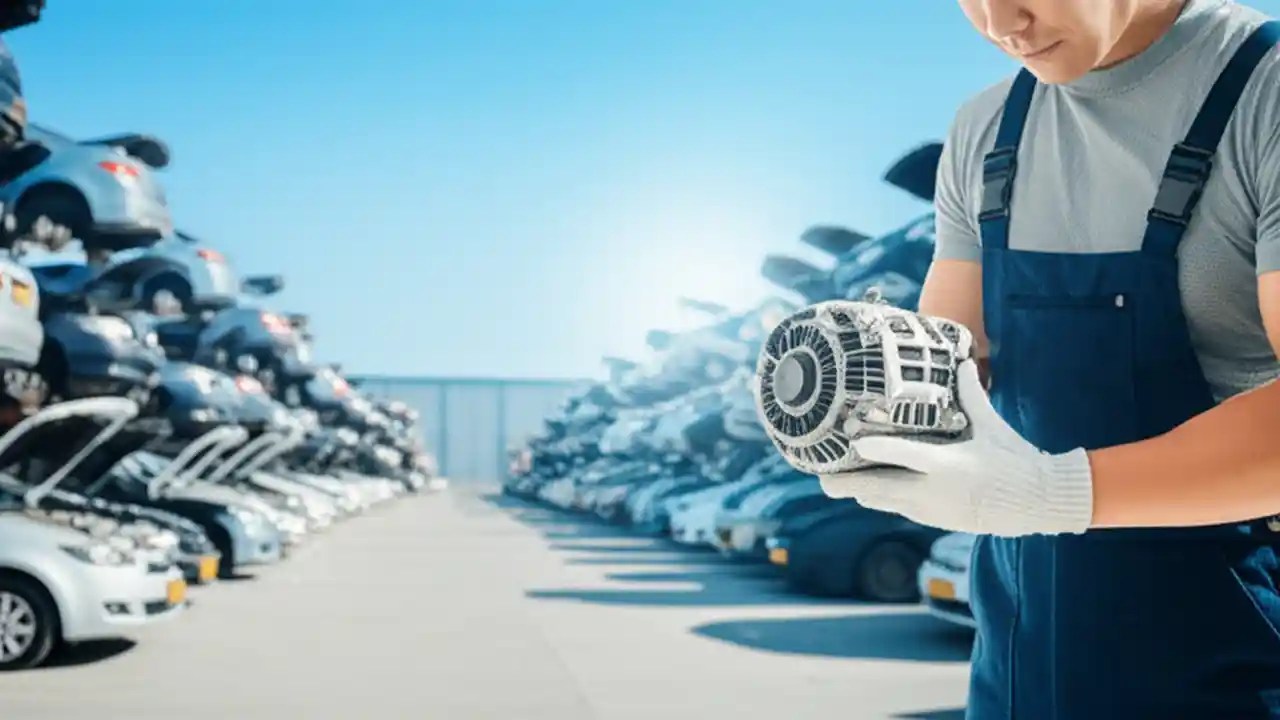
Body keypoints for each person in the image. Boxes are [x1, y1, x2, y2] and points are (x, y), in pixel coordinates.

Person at [816, 0, 1280, 717]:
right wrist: (853, 388)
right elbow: (950, 370)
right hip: (1014, 669)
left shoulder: (1265, 91)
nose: (1001, 22)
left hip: (1230, 663)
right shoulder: (983, 131)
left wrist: (1052, 494)